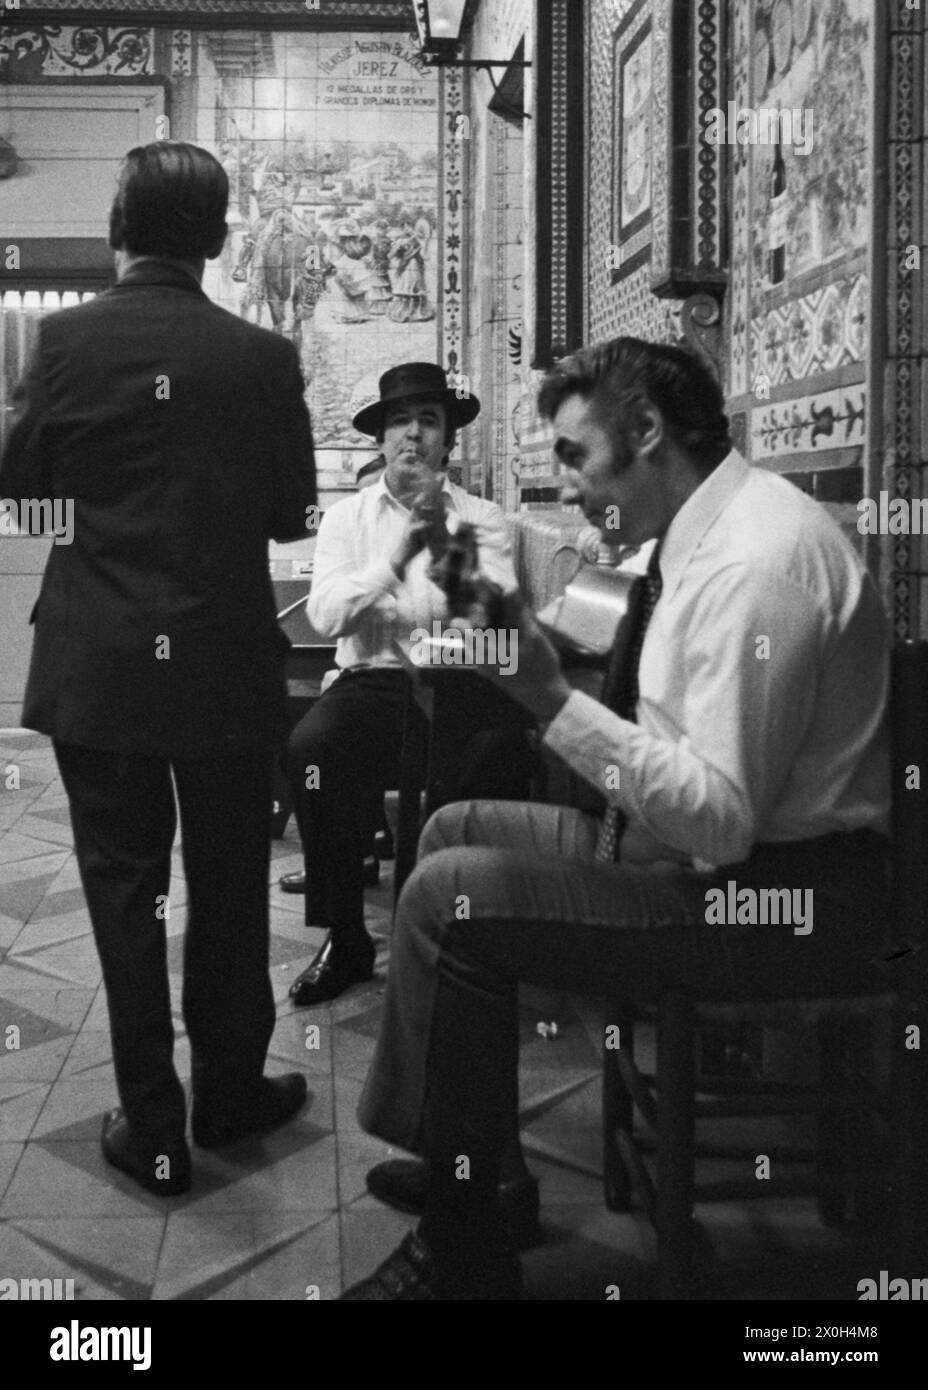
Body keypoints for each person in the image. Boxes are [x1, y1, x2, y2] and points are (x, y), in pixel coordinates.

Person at [342, 336, 892, 1299]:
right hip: (703, 856)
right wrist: (522, 634)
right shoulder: (696, 537)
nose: (562, 484)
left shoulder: (755, 566)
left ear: (644, 431)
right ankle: (480, 1167)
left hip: (777, 899)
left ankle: (463, 1250)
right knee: (453, 830)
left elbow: (719, 823)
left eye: (573, 454)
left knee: (447, 895)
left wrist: (550, 700)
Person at [0, 142, 317, 1196]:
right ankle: (231, 1091)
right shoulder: (265, 359)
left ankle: (155, 1127)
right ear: (222, 239)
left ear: (116, 231)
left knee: (123, 894)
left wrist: (93, 535)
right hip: (223, 665)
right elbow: (286, 516)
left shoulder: (60, 344)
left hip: (99, 667)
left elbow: (20, 499)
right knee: (227, 887)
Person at [283, 361, 531, 1007]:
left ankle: (470, 928)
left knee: (502, 750)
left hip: (460, 686)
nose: (413, 435)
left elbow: (494, 609)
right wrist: (394, 563)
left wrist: (441, 536)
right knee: (314, 748)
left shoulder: (482, 517)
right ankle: (345, 934)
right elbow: (328, 613)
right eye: (400, 422)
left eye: (428, 421)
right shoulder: (347, 517)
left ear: (448, 439)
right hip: (377, 682)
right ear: (382, 438)